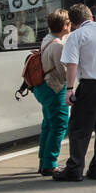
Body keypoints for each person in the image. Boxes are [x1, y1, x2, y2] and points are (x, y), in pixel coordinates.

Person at [55, 3, 96, 181]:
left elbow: (71, 65)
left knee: (79, 128)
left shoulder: (76, 35)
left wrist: (69, 90)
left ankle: (74, 169)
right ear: (91, 17)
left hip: (92, 86)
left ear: (73, 22)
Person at [34, 9, 71, 177]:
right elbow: (63, 72)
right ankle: (50, 164)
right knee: (59, 125)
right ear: (65, 26)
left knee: (48, 124)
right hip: (54, 88)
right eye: (69, 23)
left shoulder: (47, 39)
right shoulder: (58, 46)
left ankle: (43, 161)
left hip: (42, 87)